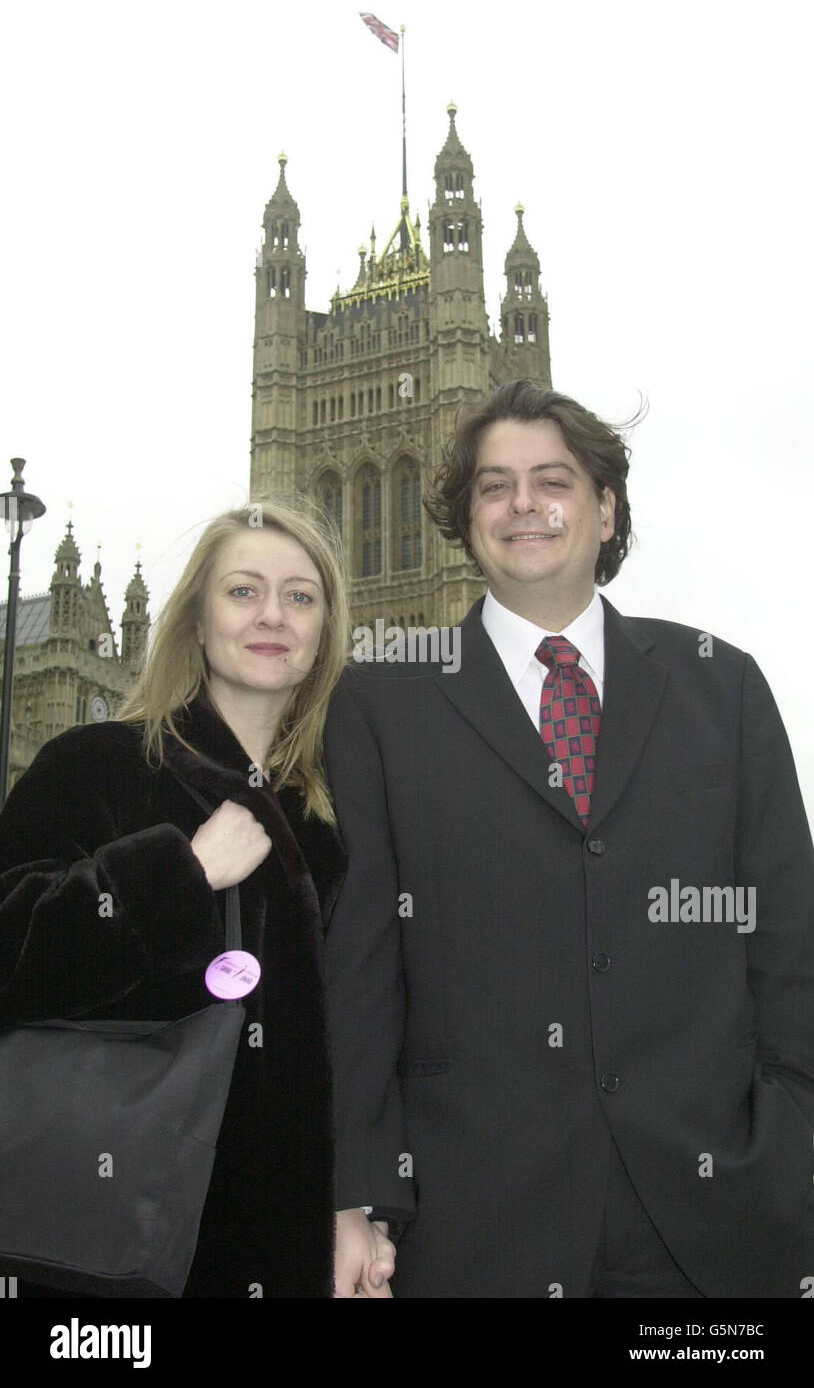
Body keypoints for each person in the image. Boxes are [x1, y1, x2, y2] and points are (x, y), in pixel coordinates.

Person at [326, 379, 814, 1299]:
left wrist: (786, 1150)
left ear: (605, 509)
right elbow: (362, 973)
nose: (524, 506)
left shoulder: (725, 688)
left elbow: (791, 950)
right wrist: (359, 1193)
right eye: (493, 486)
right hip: (473, 1228)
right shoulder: (380, 701)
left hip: (715, 1231)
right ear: (465, 518)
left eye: (552, 481)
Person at [0, 498, 395, 1298]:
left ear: (326, 628)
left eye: (300, 596)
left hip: (295, 1240)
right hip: (122, 1244)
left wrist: (357, 1201)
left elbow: (371, 1029)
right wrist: (179, 874)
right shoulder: (97, 764)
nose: (272, 616)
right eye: (243, 592)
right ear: (196, 618)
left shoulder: (339, 813)